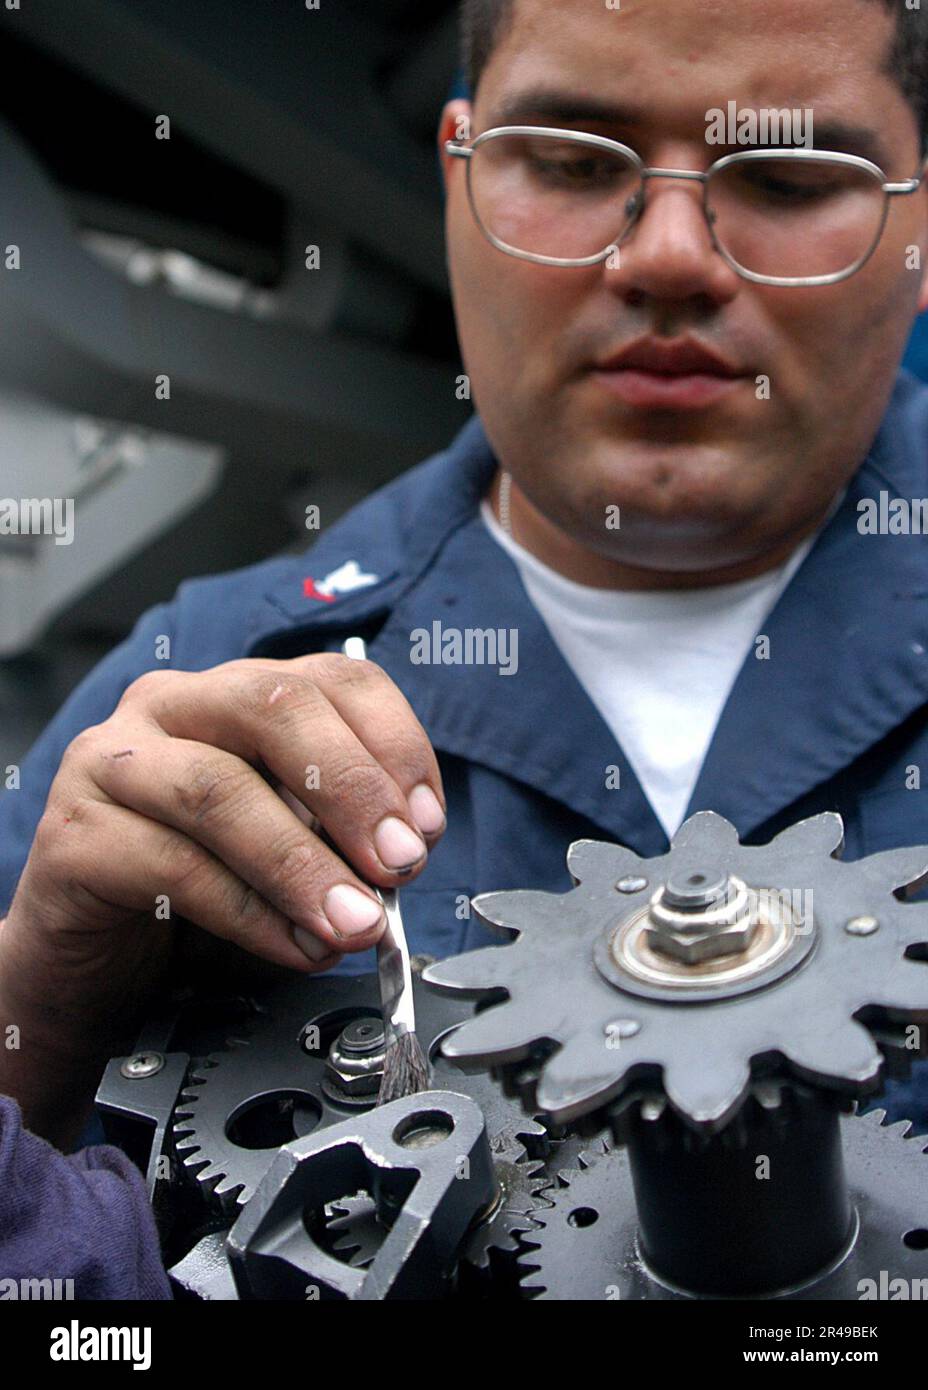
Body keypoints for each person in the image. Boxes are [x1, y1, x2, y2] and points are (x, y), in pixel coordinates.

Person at [2, 0, 928, 1293]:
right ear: (458, 177)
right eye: (571, 161)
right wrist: (36, 1027)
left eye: (782, 174)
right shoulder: (182, 699)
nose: (670, 256)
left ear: (920, 221)